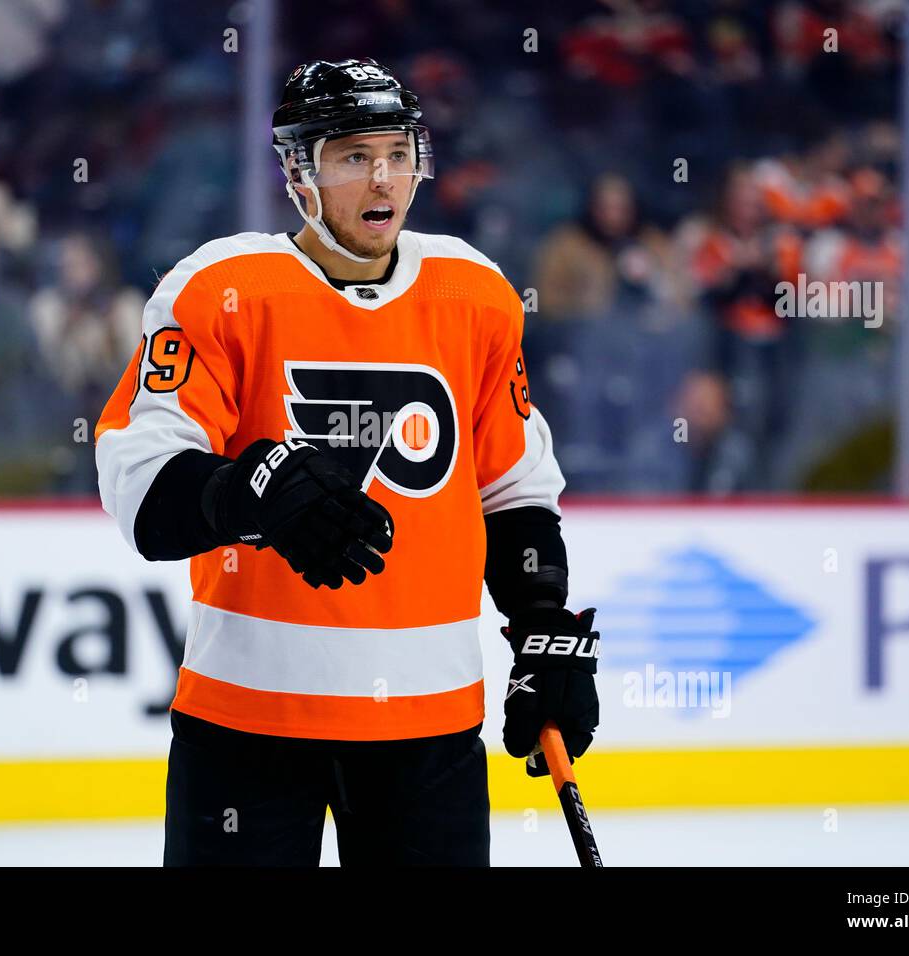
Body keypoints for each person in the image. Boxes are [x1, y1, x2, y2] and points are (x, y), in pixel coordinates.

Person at [95, 58, 599, 866]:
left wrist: (542, 628)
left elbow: (513, 488)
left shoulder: (475, 294)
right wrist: (251, 490)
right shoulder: (220, 290)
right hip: (248, 724)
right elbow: (143, 490)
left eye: (399, 154)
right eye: (354, 155)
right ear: (299, 171)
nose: (384, 179)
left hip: (430, 729)